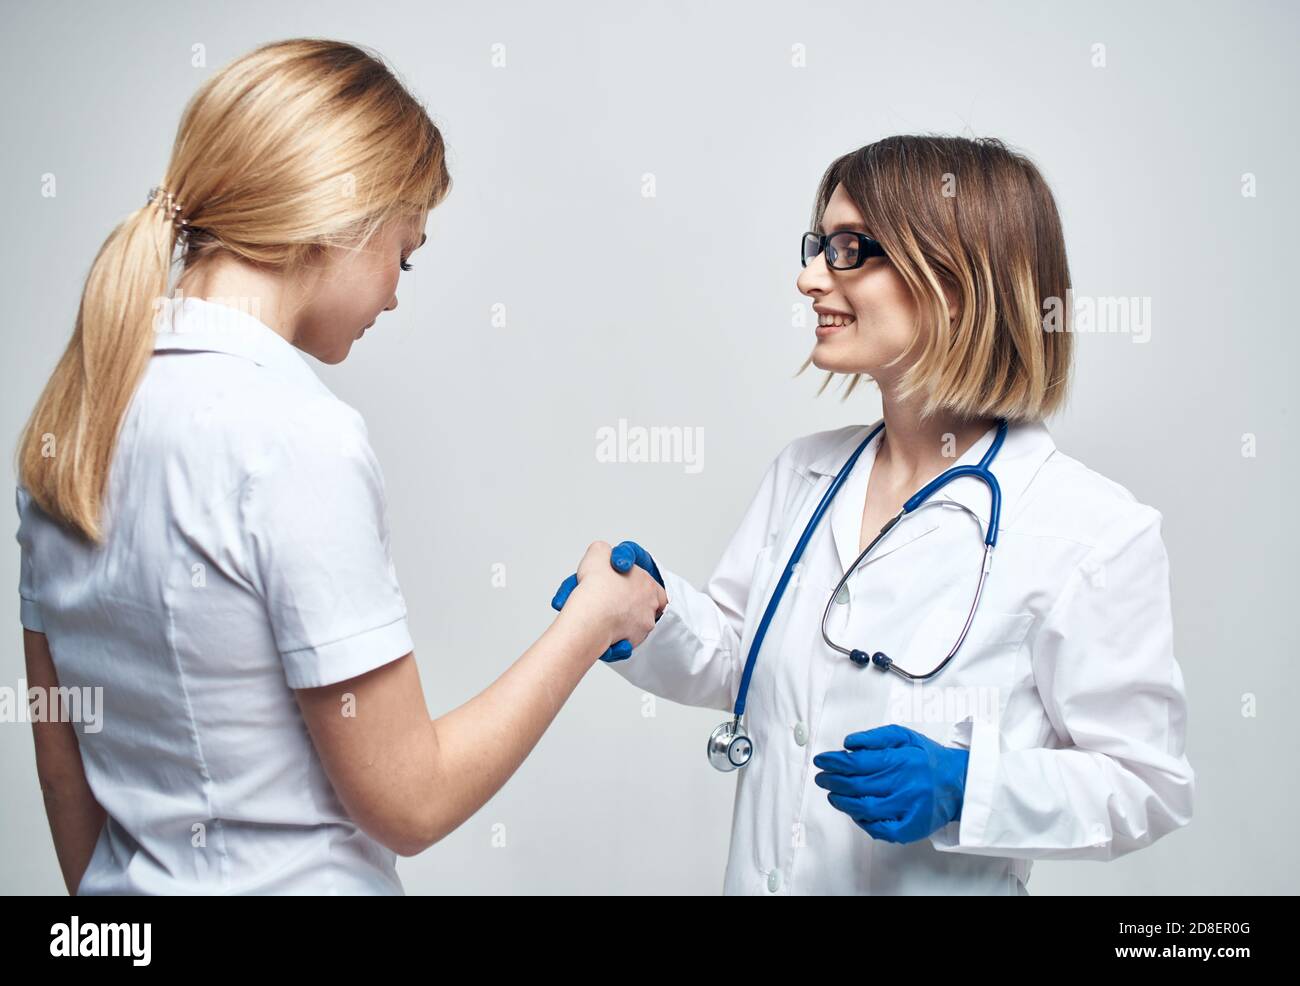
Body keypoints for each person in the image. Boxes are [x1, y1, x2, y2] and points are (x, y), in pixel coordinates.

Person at [14, 38, 665, 895]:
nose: (397, 290)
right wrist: (591, 623)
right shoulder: (298, 435)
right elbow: (411, 800)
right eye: (406, 249)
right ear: (338, 216)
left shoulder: (75, 420)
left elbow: (64, 775)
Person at [553, 135, 1195, 895]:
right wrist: (651, 618)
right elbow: (746, 661)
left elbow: (1148, 785)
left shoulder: (1090, 531)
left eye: (850, 248)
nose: (807, 278)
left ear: (959, 280)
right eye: (818, 246)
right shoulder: (806, 472)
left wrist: (970, 785)